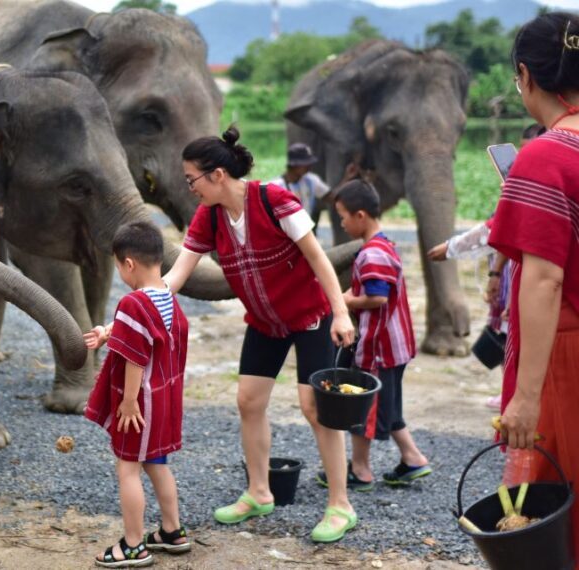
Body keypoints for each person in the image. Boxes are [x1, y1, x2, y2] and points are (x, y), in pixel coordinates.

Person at [163, 126, 357, 543]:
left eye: (191, 179)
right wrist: (136, 308)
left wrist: (340, 313)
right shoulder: (210, 215)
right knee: (248, 401)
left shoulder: (275, 200)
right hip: (266, 322)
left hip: (309, 318)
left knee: (315, 408)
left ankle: (340, 505)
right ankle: (258, 491)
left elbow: (319, 259)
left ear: (216, 175)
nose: (189, 188)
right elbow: (177, 275)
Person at [489, 11, 579, 560]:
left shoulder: (545, 155)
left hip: (567, 361)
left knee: (555, 511)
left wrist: (525, 398)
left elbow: (544, 282)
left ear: (525, 76)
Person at [84, 222, 190, 568]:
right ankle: (172, 532)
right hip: (164, 401)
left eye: (118, 266)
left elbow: (134, 356)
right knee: (157, 463)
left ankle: (132, 544)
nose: (120, 272)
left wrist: (127, 402)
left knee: (127, 470)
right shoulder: (169, 300)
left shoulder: (131, 304)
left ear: (128, 264)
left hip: (139, 404)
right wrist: (106, 333)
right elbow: (146, 336)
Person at [321, 180, 430, 490]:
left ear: (360, 216)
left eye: (342, 216)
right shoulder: (384, 245)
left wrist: (343, 300)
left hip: (379, 347)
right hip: (394, 345)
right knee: (388, 405)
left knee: (361, 406)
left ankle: (361, 470)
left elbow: (377, 296)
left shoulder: (372, 254)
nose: (341, 223)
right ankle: (413, 459)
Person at [427, 123, 543, 411]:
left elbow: (494, 231)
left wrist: (452, 248)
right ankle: (512, 395)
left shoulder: (540, 191)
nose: (520, 165)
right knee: (508, 337)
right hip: (511, 279)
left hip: (537, 286)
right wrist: (494, 275)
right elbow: (505, 233)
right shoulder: (517, 191)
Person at [269, 143, 331, 216]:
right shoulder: (275, 186)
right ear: (294, 165)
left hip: (305, 226)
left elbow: (332, 198)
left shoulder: (311, 180)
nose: (309, 166)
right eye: (306, 163)